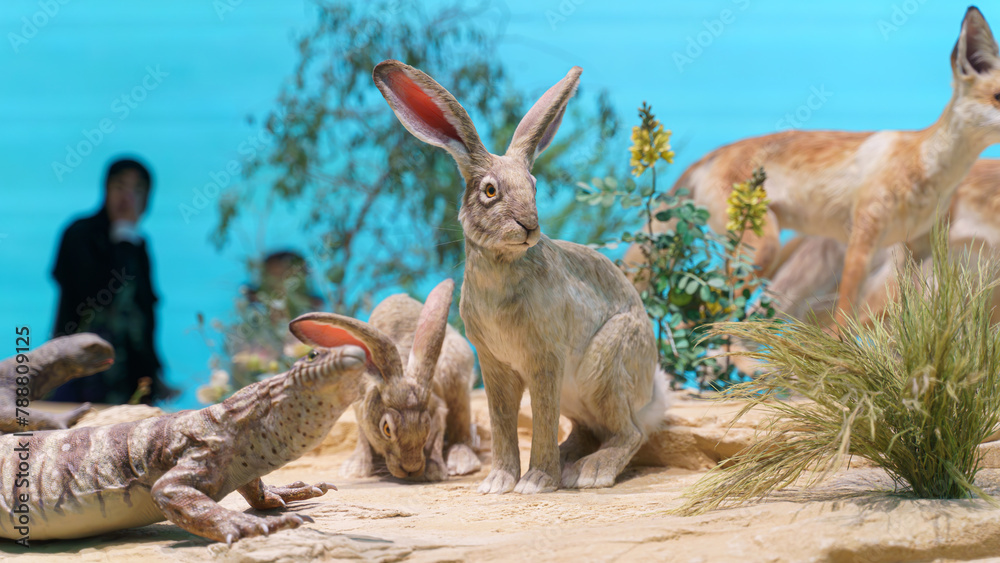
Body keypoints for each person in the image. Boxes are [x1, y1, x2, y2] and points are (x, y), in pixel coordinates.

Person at [49, 157, 167, 405]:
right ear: (106, 189)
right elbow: (94, 296)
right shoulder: (80, 233)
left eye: (137, 190)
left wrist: (154, 374)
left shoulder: (137, 244)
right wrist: (122, 242)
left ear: (147, 200)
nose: (127, 198)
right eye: (120, 186)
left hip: (128, 379)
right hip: (80, 371)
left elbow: (143, 313)